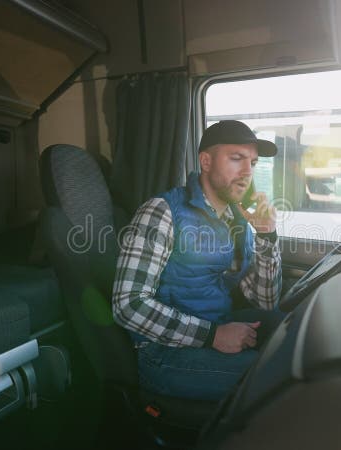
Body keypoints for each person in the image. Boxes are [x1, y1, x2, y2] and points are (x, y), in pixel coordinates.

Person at [111, 120, 283, 402]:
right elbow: (128, 305)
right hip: (163, 353)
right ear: (206, 161)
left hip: (217, 323)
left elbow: (265, 302)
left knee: (291, 333)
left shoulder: (237, 220)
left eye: (252, 163)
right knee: (280, 380)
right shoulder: (162, 211)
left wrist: (267, 235)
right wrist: (212, 335)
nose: (247, 172)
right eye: (236, 158)